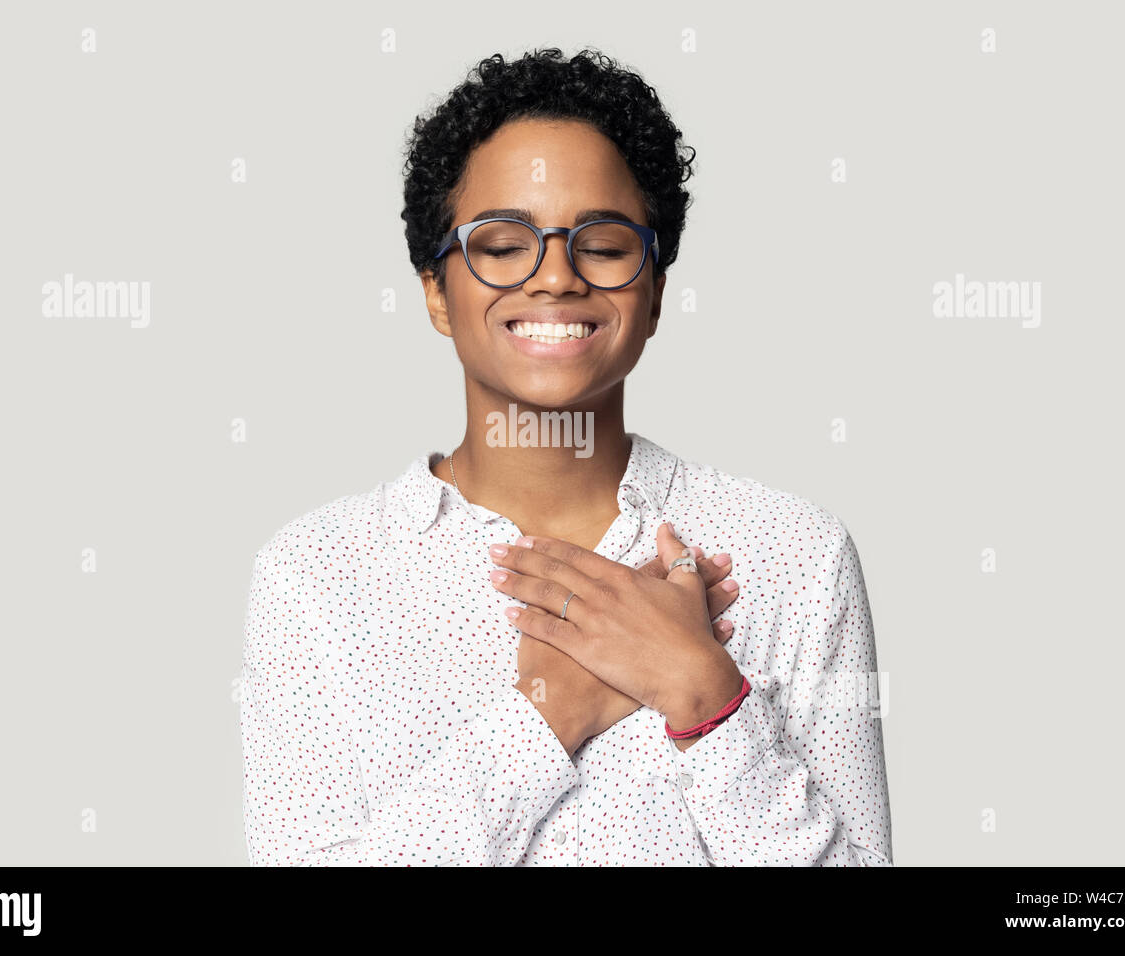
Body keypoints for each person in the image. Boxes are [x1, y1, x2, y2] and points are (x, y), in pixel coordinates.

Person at [240, 47, 892, 865]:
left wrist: (704, 695)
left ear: (653, 290)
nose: (555, 278)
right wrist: (551, 714)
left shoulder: (794, 553)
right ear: (437, 291)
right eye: (505, 244)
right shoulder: (317, 574)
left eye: (604, 243)